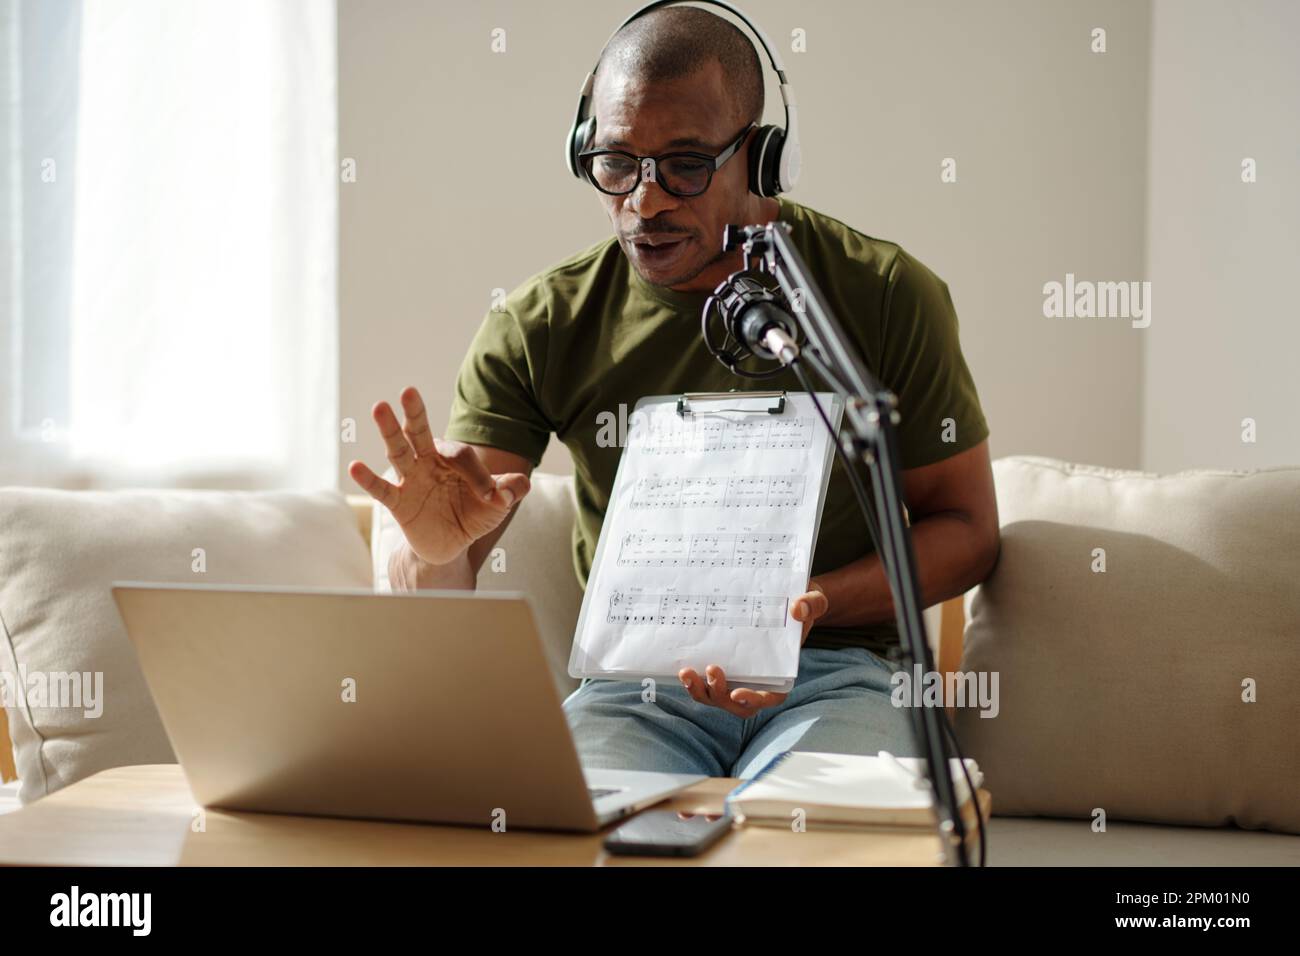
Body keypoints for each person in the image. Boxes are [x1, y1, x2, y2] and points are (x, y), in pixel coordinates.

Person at [349, 3, 999, 780]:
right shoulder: (540, 323)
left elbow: (966, 527)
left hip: (841, 676)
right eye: (616, 162)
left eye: (686, 164)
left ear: (763, 158)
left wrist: (810, 605)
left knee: (815, 845)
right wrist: (432, 553)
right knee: (563, 833)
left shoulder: (886, 294)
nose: (645, 201)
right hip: (634, 694)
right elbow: (440, 571)